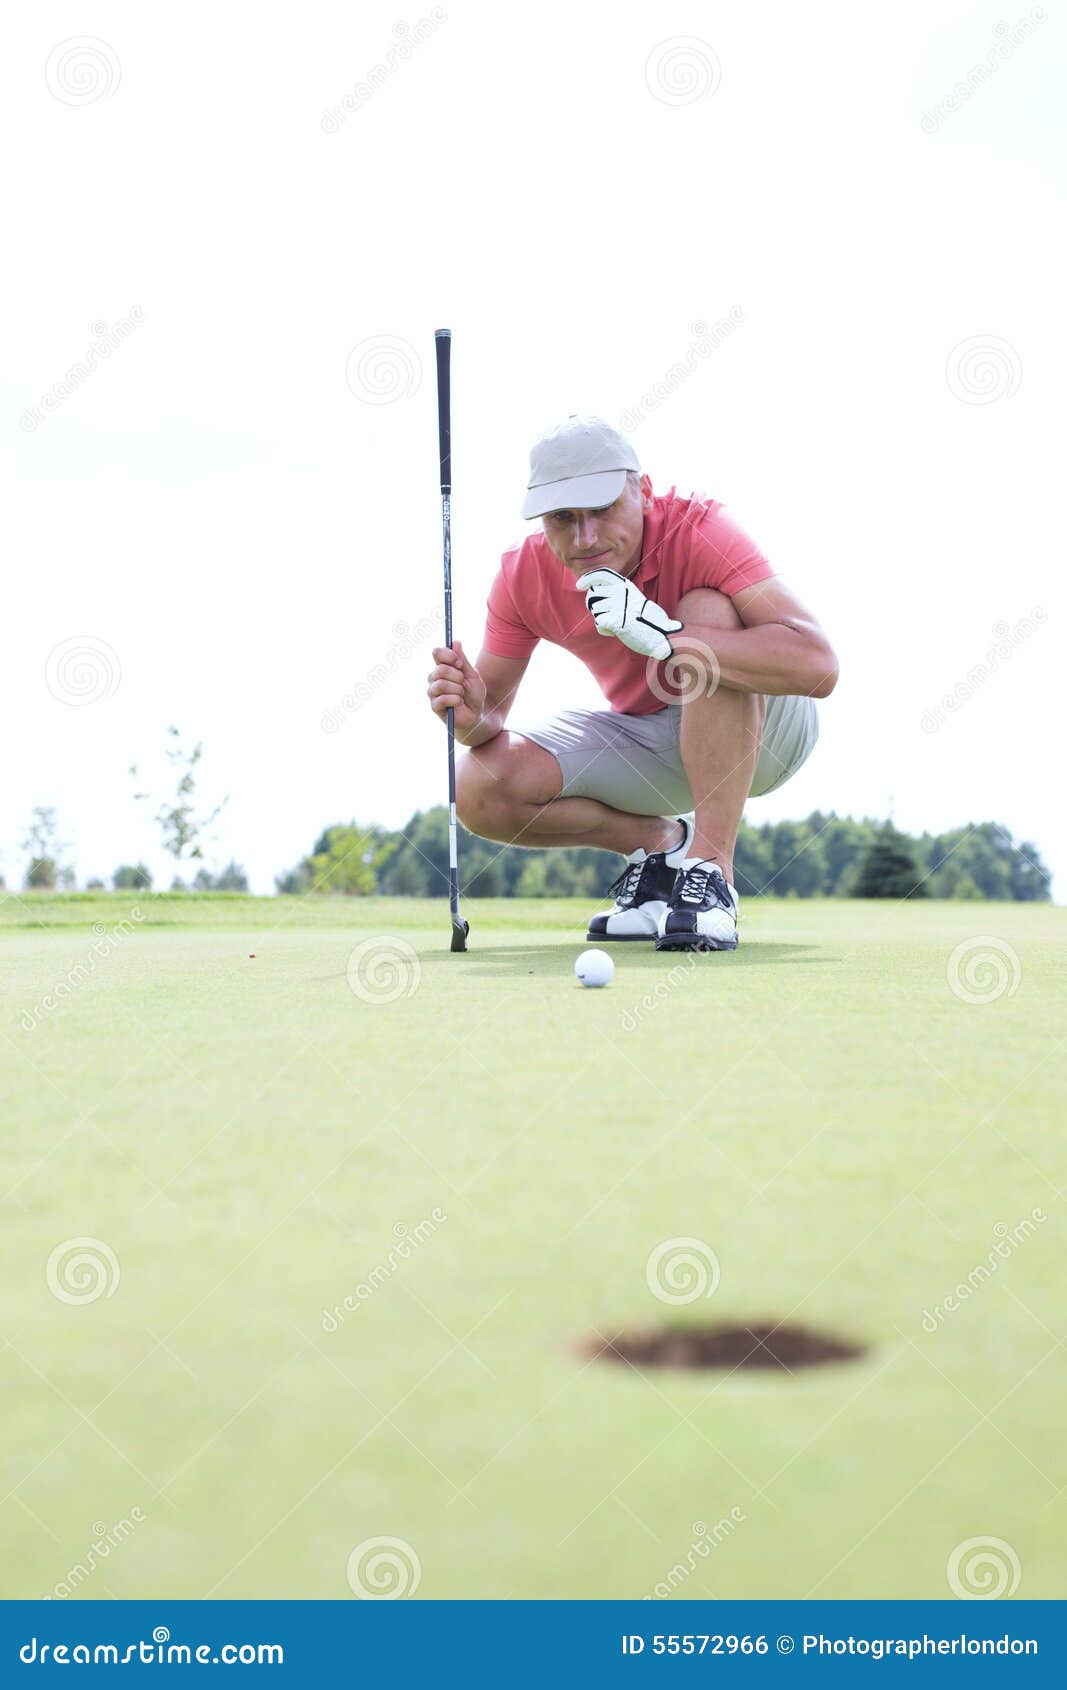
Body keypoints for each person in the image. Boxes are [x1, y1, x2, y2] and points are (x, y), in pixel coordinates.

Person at [426, 415, 838, 951]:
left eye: (601, 509)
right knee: (477, 786)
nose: (585, 538)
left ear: (642, 492)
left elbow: (818, 665)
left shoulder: (699, 529)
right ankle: (662, 850)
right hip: (656, 741)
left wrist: (668, 636)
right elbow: (487, 723)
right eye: (562, 518)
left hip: (772, 736)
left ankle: (711, 873)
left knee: (706, 608)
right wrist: (470, 713)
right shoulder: (522, 575)